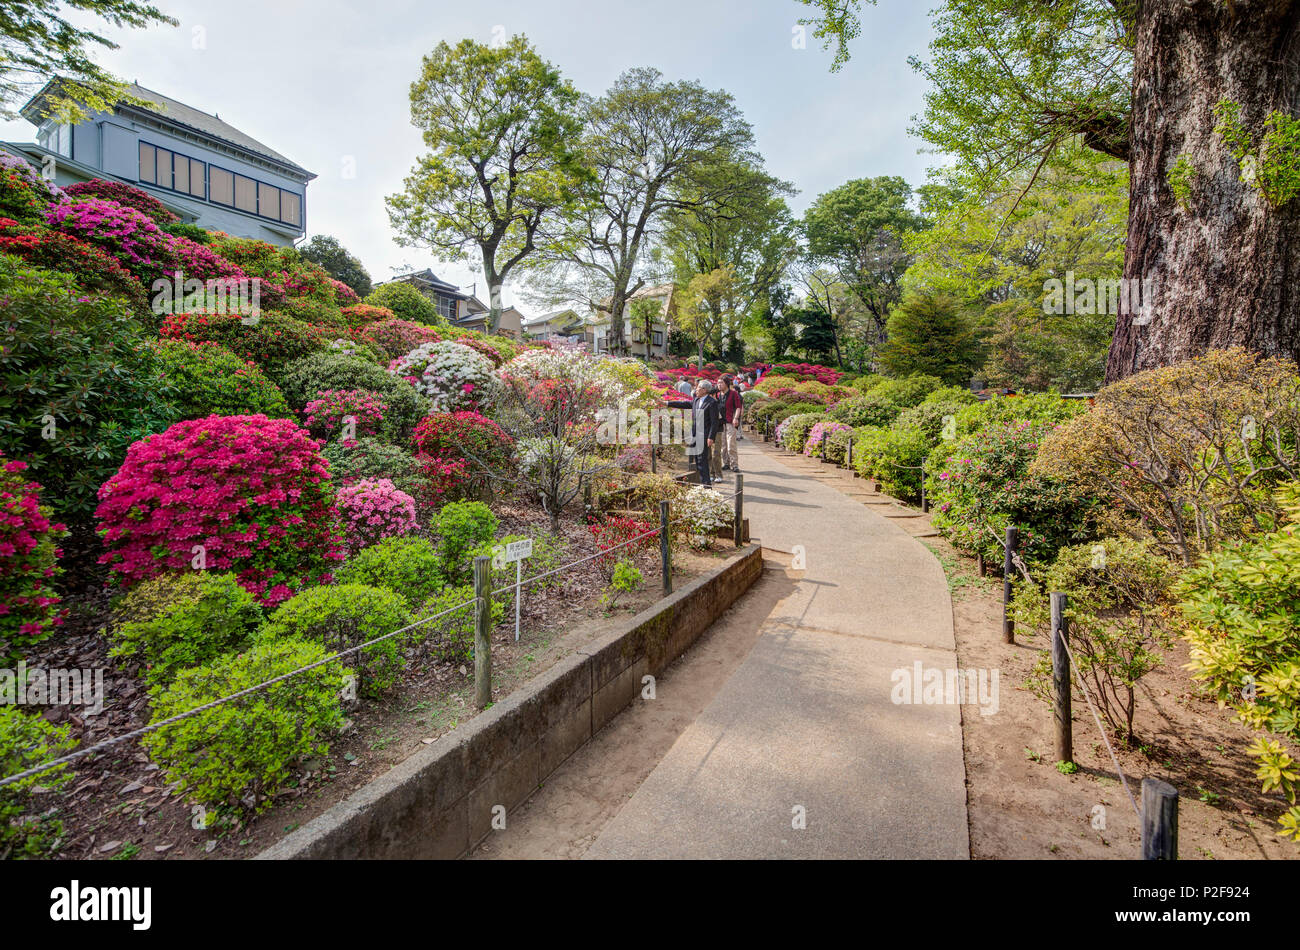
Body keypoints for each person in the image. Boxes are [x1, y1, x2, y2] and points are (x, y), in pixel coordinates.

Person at [690, 379, 721, 487]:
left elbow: (714, 422)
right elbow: (685, 404)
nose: (696, 389)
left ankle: (706, 485)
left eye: (698, 387)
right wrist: (666, 403)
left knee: (702, 460)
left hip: (704, 435)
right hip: (695, 434)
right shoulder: (696, 400)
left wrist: (711, 437)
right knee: (698, 460)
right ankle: (701, 483)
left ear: (704, 390)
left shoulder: (712, 402)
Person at [718, 375, 742, 472]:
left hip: (730, 422)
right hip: (721, 423)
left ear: (727, 384)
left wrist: (736, 418)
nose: (719, 385)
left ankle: (734, 464)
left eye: (721, 383)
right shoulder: (718, 394)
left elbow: (738, 407)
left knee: (730, 444)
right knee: (723, 446)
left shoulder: (733, 394)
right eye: (718, 383)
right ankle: (726, 463)